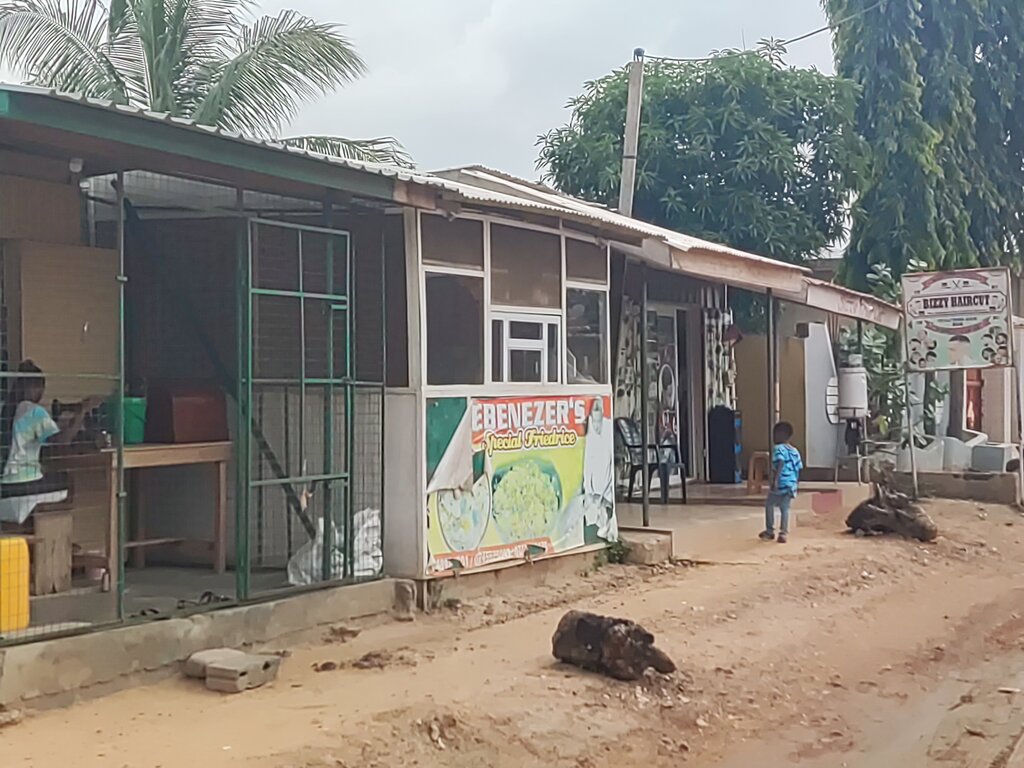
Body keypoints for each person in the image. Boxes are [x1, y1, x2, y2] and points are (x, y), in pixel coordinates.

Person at [0, 360, 102, 498]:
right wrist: (83, 410)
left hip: (5, 483)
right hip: (23, 481)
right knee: (66, 479)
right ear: (37, 388)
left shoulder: (7, 409)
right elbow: (62, 441)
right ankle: (54, 518)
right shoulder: (33, 411)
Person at [759, 421, 803, 544]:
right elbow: (798, 468)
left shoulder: (778, 449)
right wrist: (795, 484)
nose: (773, 437)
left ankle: (769, 531)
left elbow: (780, 462)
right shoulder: (794, 451)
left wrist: (775, 479)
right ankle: (783, 533)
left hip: (780, 483)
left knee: (769, 505)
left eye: (775, 434)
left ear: (782, 435)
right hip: (791, 484)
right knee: (785, 509)